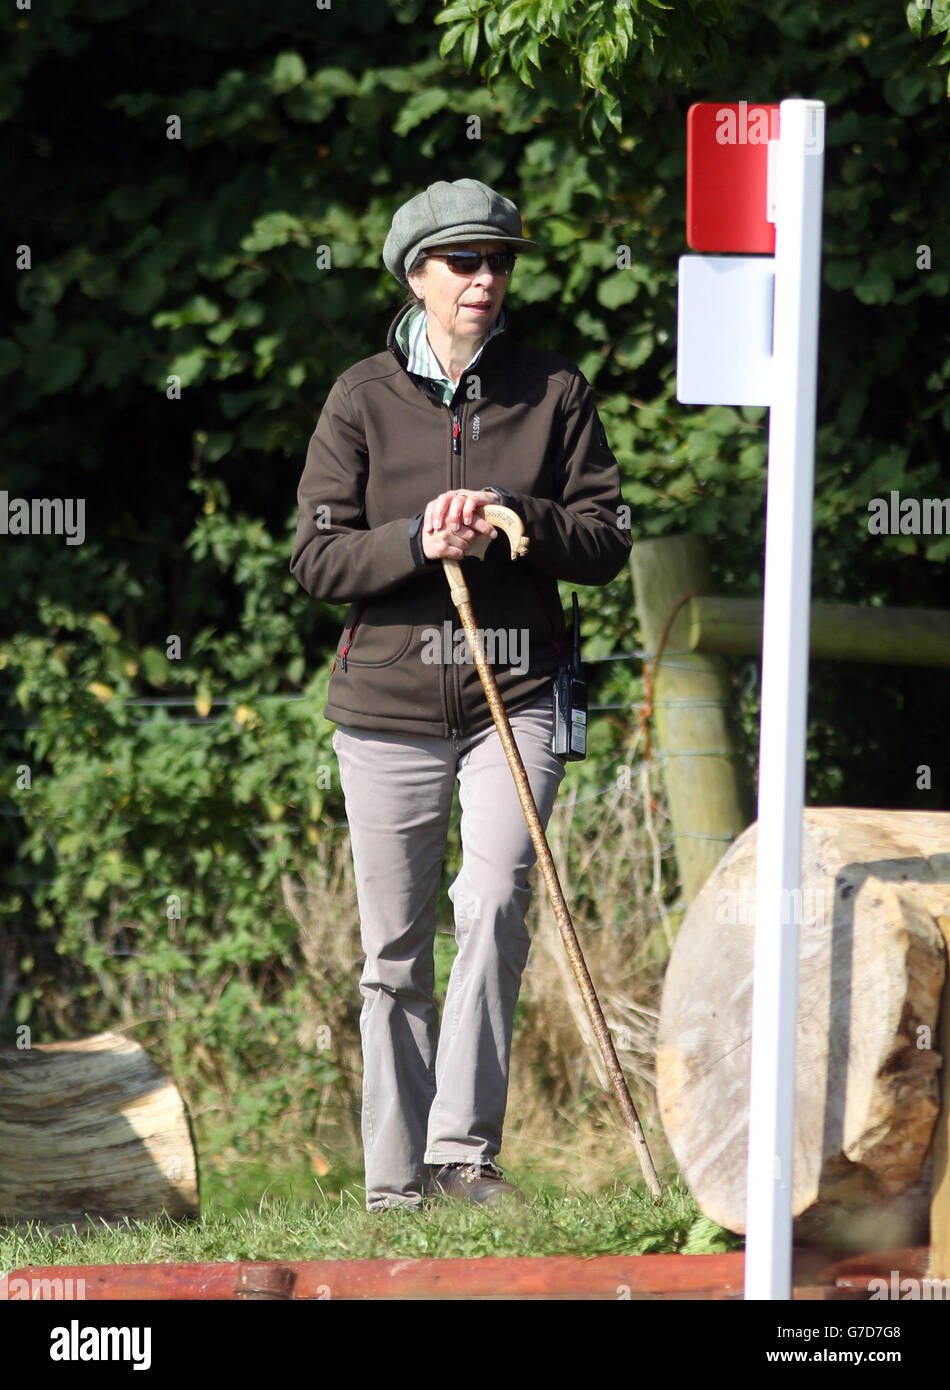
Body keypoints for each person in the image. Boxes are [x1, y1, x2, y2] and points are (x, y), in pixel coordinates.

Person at [290, 178, 632, 1211]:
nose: (485, 279)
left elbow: (608, 541)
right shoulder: (360, 397)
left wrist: (519, 518)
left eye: (499, 261)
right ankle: (395, 1186)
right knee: (394, 948)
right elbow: (314, 558)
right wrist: (412, 541)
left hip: (515, 696)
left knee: (493, 905)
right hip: (387, 708)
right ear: (416, 276)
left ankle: (462, 1156)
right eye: (463, 262)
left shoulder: (555, 390)